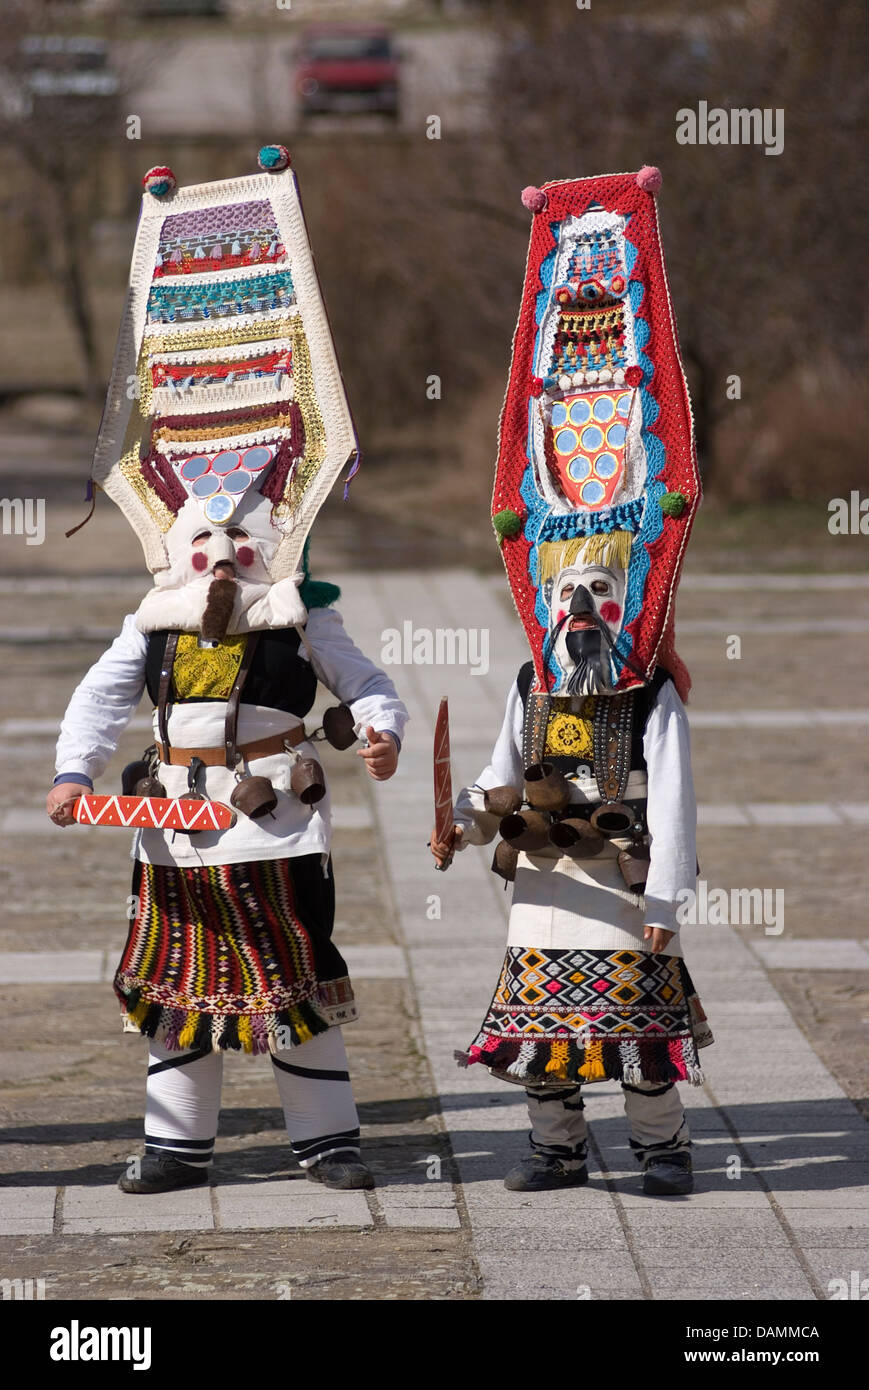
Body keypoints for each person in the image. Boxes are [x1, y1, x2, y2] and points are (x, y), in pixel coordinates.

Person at [45, 150, 408, 1194]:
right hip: (169, 824)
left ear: (266, 536)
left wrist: (378, 728)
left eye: (233, 540)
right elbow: (102, 694)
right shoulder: (153, 618)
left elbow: (366, 679)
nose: (217, 556)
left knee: (291, 971)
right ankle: (173, 1144)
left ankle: (328, 1141)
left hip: (275, 816)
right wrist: (77, 771)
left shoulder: (300, 611)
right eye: (201, 541)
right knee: (173, 983)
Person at [430, 167, 712, 1196]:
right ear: (547, 601)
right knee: (543, 1031)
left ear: (623, 591)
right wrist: (464, 819)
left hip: (624, 880)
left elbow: (673, 792)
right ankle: (552, 1146)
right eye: (568, 593)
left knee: (638, 1033)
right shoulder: (529, 682)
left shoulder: (647, 694)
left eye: (599, 589)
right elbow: (503, 772)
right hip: (544, 881)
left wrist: (668, 894)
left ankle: (661, 1148)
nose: (581, 609)